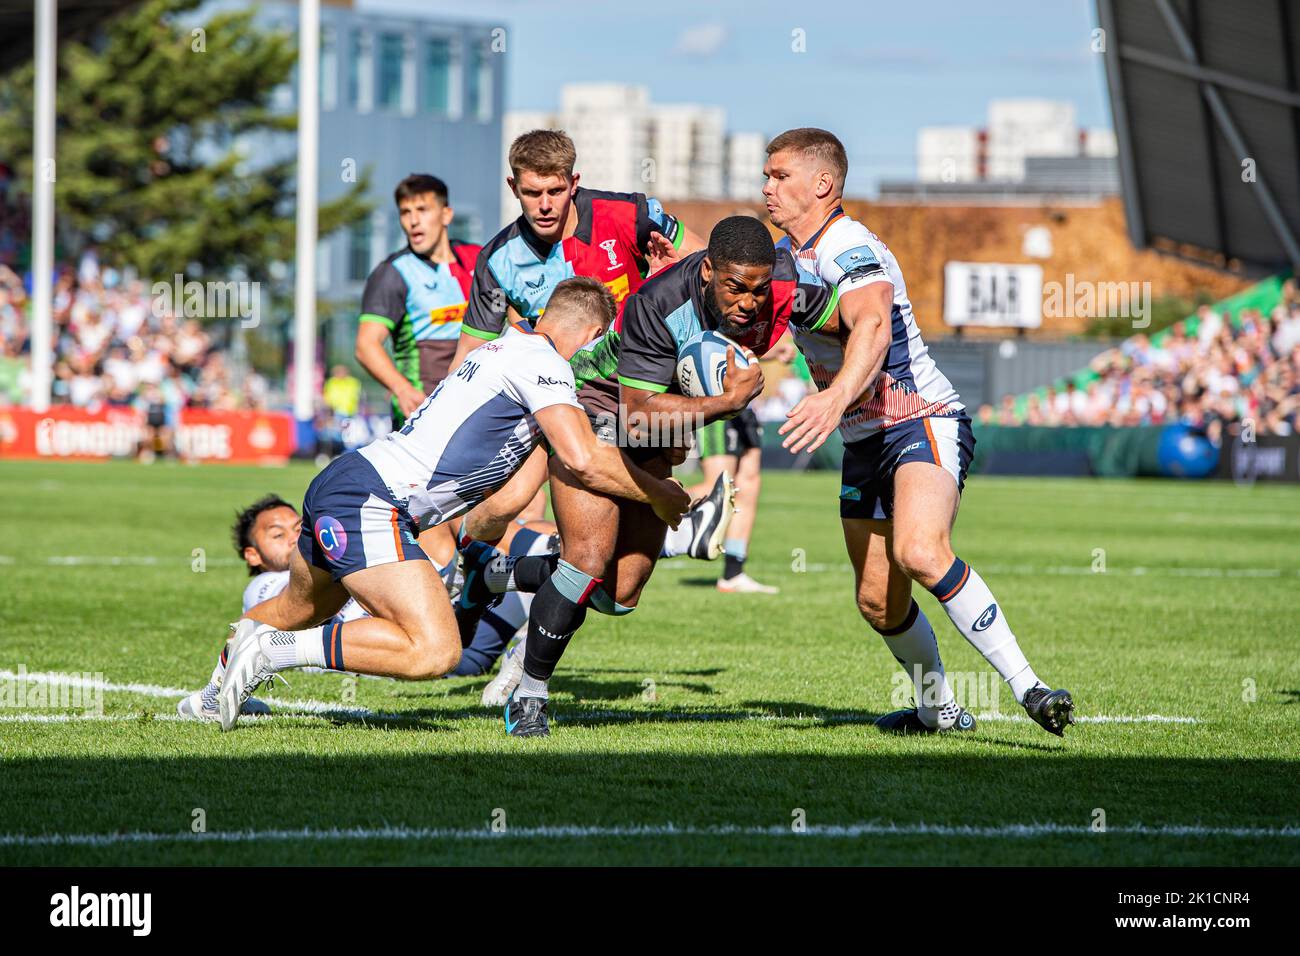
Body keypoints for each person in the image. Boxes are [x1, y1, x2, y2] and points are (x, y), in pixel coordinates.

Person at [216, 278, 690, 731]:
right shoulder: (544, 366)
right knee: (436, 651)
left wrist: (476, 552)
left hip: (348, 482)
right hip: (373, 501)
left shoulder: (504, 350)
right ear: (592, 336)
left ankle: (212, 695)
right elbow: (583, 458)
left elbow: (503, 501)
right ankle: (273, 652)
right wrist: (659, 492)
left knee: (296, 606)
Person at [475, 215, 838, 737]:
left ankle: (494, 574)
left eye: (758, 290)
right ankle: (530, 696)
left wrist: (843, 386)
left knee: (618, 595)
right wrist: (726, 402)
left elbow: (852, 316)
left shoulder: (784, 282)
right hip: (596, 401)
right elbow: (640, 412)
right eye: (736, 287)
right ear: (709, 269)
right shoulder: (658, 303)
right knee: (586, 560)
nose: (748, 302)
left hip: (655, 420)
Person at [764, 127, 1074, 736]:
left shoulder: (849, 245)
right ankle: (940, 711)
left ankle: (1030, 688)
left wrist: (832, 398)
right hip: (862, 441)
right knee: (879, 602)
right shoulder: (785, 260)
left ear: (823, 184)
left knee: (920, 550)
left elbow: (873, 326)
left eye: (780, 176)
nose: (767, 187)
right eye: (766, 176)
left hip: (919, 420)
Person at [354, 173, 480, 431]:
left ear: (446, 215)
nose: (413, 221)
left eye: (422, 210)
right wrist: (401, 388)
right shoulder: (393, 272)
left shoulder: (479, 259)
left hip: (478, 404)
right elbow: (366, 345)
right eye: (405, 212)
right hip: (422, 410)